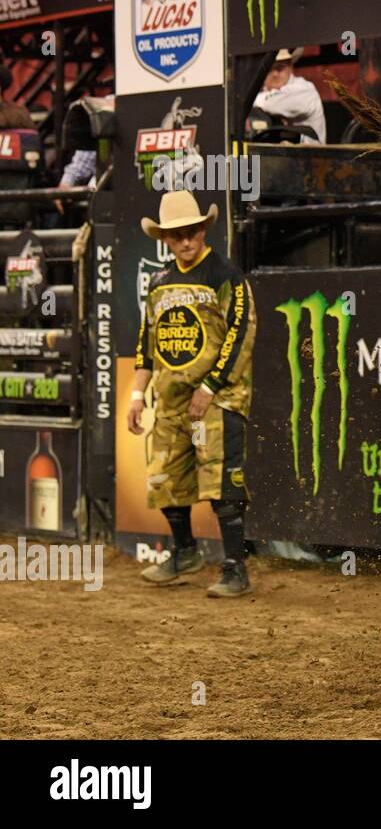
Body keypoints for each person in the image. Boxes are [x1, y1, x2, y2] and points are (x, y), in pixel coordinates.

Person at [130, 190, 258, 597]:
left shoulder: (225, 275)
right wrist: (137, 395)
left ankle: (235, 567)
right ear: (165, 238)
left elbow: (241, 336)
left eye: (192, 232)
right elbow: (146, 343)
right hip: (170, 398)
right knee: (165, 475)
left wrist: (210, 387)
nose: (185, 241)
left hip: (218, 397)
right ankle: (185, 551)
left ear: (203, 230)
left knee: (222, 480)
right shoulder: (159, 282)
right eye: (176, 235)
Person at [253, 47, 327, 144]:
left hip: (309, 157)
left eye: (279, 68)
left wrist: (252, 99)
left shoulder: (305, 89)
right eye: (270, 69)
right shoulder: (263, 91)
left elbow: (271, 104)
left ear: (290, 67)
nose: (275, 73)